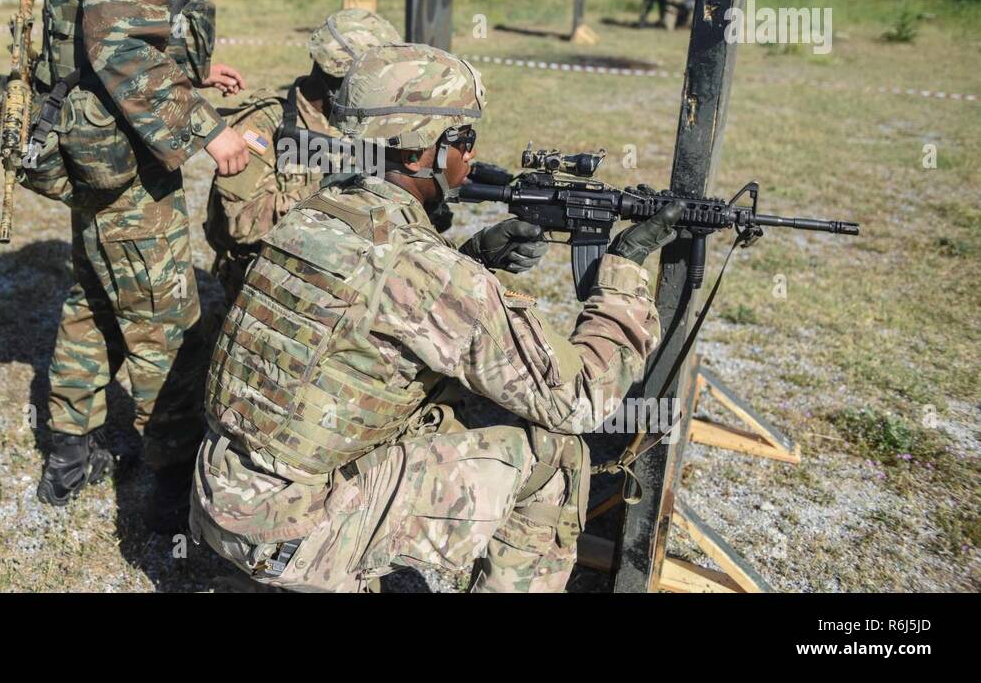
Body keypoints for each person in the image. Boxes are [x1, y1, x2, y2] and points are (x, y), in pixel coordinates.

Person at [191, 42, 683, 592]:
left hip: (223, 489)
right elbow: (581, 397)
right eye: (463, 140)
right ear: (418, 150)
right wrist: (623, 274)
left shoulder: (315, 213)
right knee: (556, 453)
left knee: (458, 403)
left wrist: (471, 258)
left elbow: (375, 318)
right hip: (291, 530)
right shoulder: (422, 270)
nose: (470, 157)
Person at [34, 0, 260, 534]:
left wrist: (193, 72)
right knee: (170, 318)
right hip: (123, 158)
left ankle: (71, 451)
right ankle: (173, 488)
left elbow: (112, 36)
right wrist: (208, 128)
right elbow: (123, 46)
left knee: (95, 295)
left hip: (94, 145)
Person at [203, 8, 401, 304]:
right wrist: (326, 193)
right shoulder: (265, 126)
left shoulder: (367, 126)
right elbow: (237, 224)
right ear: (338, 79)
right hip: (269, 289)